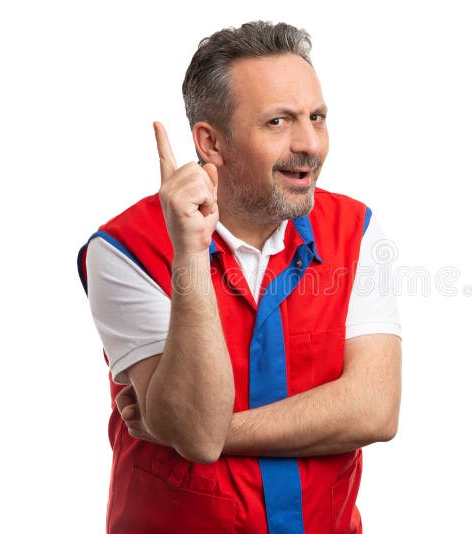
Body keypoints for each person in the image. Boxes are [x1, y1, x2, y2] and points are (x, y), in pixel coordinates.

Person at [78, 21, 402, 534]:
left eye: (317, 117)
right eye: (278, 122)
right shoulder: (124, 250)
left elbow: (374, 410)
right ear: (211, 141)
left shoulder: (354, 230)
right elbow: (196, 433)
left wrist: (202, 429)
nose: (310, 144)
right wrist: (189, 252)